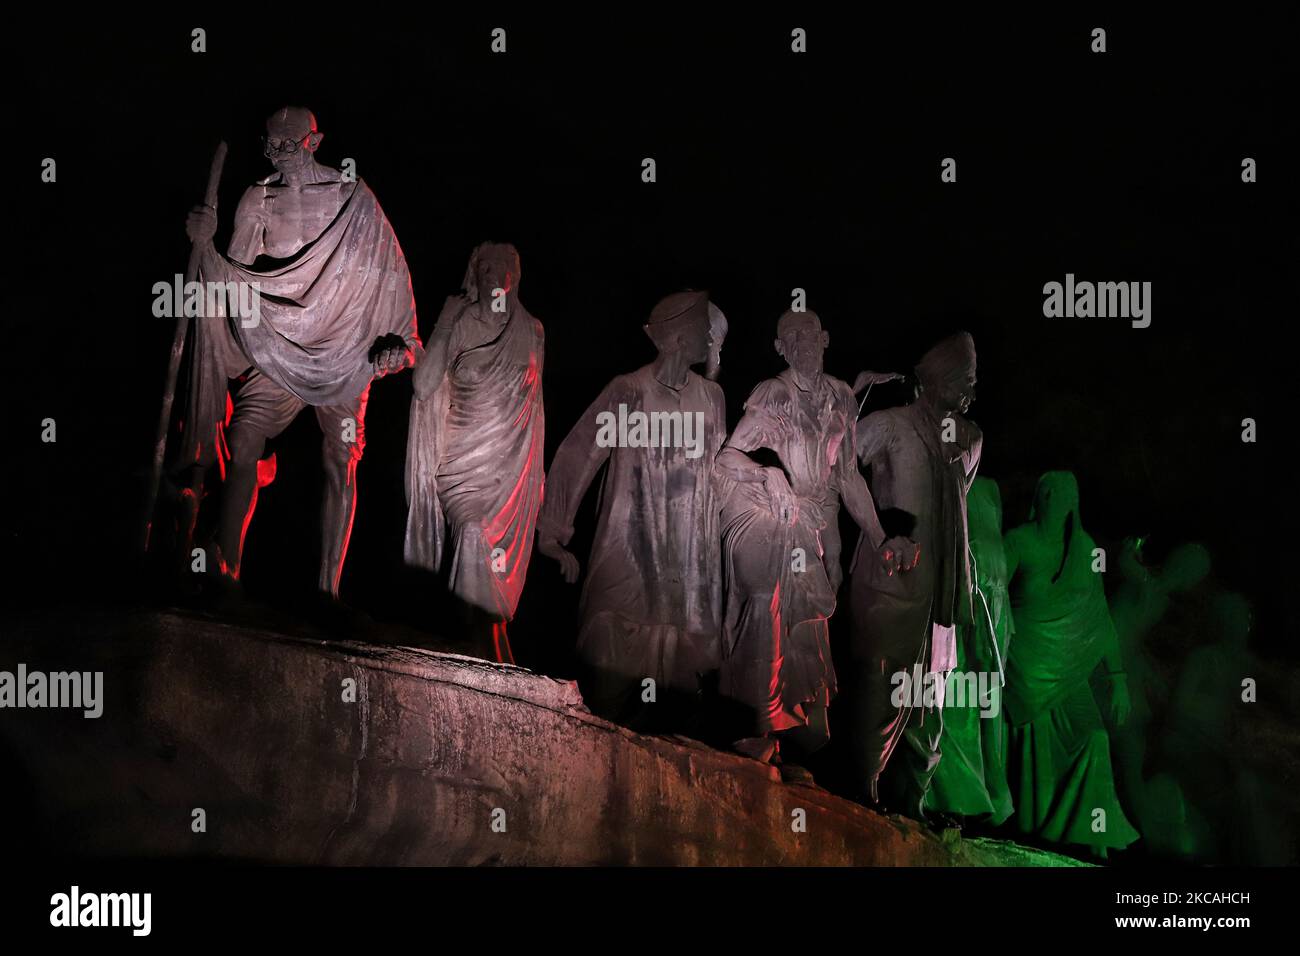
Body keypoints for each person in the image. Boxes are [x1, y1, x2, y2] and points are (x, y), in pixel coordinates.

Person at [178, 106, 419, 600]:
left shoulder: (353, 198)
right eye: (269, 144)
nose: (275, 153)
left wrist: (402, 341)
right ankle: (227, 570)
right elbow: (236, 282)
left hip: (346, 351)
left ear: (314, 141)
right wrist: (205, 249)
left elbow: (390, 272)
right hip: (279, 347)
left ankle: (327, 591)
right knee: (244, 440)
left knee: (341, 458)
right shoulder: (259, 198)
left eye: (286, 144)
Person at [716, 309, 905, 782]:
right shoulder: (773, 393)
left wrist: (881, 536)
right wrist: (768, 473)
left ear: (824, 338)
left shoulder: (842, 396)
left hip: (809, 524)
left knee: (806, 626)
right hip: (762, 510)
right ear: (780, 347)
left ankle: (787, 742)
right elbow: (727, 456)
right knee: (767, 600)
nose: (801, 342)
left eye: (808, 334)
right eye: (789, 336)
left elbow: (848, 477)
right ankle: (755, 727)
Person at [536, 291, 726, 728]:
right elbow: (580, 452)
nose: (708, 337)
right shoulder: (629, 391)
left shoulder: (711, 397)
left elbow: (722, 471)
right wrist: (553, 530)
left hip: (686, 564)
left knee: (674, 704)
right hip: (630, 550)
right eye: (702, 330)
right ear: (677, 338)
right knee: (607, 677)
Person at [848, 332, 980, 822]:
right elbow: (837, 462)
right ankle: (862, 789)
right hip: (891, 581)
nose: (972, 390)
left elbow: (957, 497)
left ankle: (912, 801)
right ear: (938, 379)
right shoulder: (888, 426)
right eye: (965, 379)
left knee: (930, 701)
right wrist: (852, 395)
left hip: (941, 592)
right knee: (879, 687)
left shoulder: (970, 439)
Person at [405, 243, 544, 664]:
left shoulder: (533, 330)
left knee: (495, 563)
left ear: (514, 277)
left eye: (501, 267)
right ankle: (473, 644)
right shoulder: (460, 323)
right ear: (474, 274)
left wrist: (538, 474)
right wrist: (445, 322)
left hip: (511, 470)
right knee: (471, 531)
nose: (491, 274)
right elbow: (423, 386)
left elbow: (536, 407)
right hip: (462, 464)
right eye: (483, 267)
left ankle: (493, 649)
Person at [1003, 471, 1139, 858]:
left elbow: (1099, 618)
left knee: (1094, 736)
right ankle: (1034, 831)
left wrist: (1118, 678)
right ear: (1039, 497)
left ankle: (1085, 837)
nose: (1058, 501)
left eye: (1067, 495)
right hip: (1025, 670)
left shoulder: (1086, 551)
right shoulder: (1019, 541)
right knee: (1036, 737)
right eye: (1050, 493)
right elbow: (990, 593)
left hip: (1070, 674)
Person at [923, 476, 1014, 825]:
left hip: (993, 606)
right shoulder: (944, 478)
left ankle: (987, 797)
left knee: (985, 704)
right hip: (956, 597)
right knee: (956, 699)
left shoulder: (988, 489)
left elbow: (995, 547)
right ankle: (950, 798)